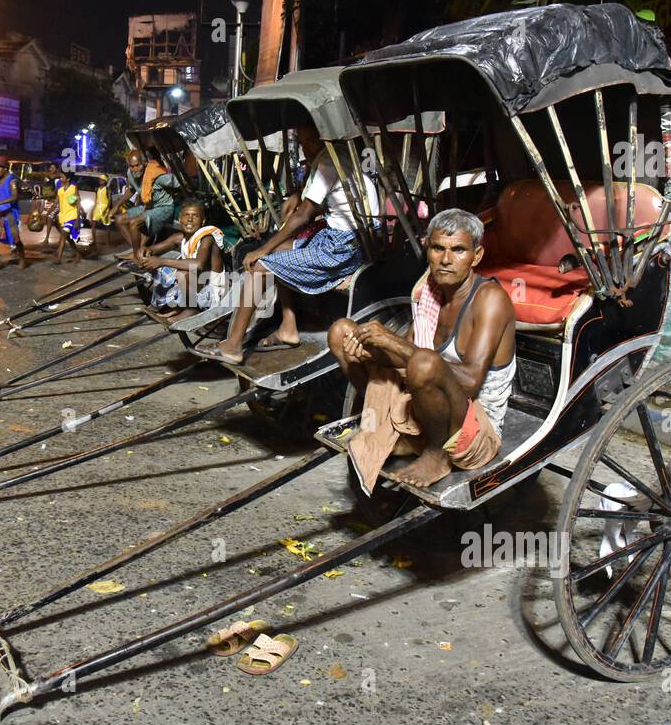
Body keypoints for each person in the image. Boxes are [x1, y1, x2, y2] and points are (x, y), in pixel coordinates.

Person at [329, 209, 517, 490]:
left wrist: (391, 342)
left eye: (458, 250)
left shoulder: (490, 299)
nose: (446, 259)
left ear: (476, 256)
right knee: (341, 332)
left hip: (474, 426)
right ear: (428, 248)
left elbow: (468, 382)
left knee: (424, 363)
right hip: (426, 402)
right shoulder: (430, 290)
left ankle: (436, 454)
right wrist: (370, 347)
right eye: (438, 248)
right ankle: (385, 425)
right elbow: (406, 355)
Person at [196, 121, 380, 364]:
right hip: (351, 238)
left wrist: (263, 248)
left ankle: (233, 346)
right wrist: (296, 195)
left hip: (340, 247)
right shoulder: (340, 156)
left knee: (262, 265)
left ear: (322, 139)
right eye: (302, 143)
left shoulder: (327, 162)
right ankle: (288, 325)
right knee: (281, 252)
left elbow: (304, 215)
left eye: (308, 142)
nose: (305, 148)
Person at [137, 199, 226, 318]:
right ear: (180, 220)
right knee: (160, 269)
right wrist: (144, 250)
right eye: (186, 215)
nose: (190, 219)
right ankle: (171, 305)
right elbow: (153, 249)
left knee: (182, 273)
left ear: (203, 221)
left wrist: (162, 261)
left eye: (195, 216)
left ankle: (191, 309)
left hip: (212, 291)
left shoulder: (207, 238)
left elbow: (198, 264)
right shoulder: (179, 237)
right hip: (195, 287)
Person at [115, 149, 175, 257]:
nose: (135, 169)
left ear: (145, 163)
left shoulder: (157, 176)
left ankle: (136, 255)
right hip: (148, 207)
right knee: (119, 220)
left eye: (137, 165)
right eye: (131, 166)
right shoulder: (131, 174)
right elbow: (132, 189)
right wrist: (116, 206)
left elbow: (178, 182)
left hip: (163, 208)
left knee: (134, 223)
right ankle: (136, 250)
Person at [0, 160, 27, 273]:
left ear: (4, 169)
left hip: (9, 213)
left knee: (15, 239)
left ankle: (22, 258)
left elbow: (14, 197)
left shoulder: (12, 180)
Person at [54, 173, 84, 264]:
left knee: (63, 235)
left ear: (68, 179)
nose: (60, 178)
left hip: (72, 216)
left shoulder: (73, 188)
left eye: (62, 177)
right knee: (68, 238)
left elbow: (78, 203)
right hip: (63, 217)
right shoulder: (60, 190)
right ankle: (78, 254)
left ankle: (58, 258)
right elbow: (56, 204)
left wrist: (78, 219)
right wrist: (47, 214)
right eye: (60, 177)